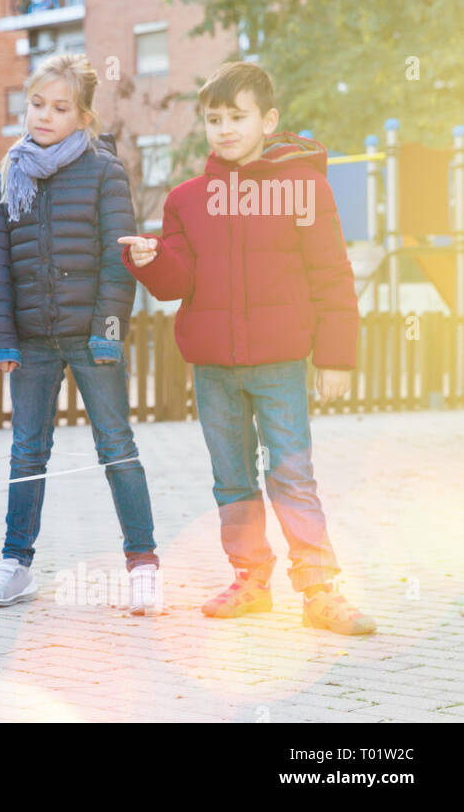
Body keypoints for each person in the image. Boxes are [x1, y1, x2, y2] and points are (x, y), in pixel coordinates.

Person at [120, 61, 375, 635]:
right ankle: (250, 581)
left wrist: (335, 355)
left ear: (269, 119)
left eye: (238, 116)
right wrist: (150, 259)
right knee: (232, 477)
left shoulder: (304, 189)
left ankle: (319, 590)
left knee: (290, 473)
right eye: (215, 118)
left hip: (281, 363)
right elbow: (177, 284)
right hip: (214, 369)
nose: (226, 128)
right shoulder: (186, 200)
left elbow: (332, 274)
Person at [0, 54, 160, 614]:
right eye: (36, 105)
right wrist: (1, 340)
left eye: (59, 108)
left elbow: (117, 261)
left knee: (116, 446)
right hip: (31, 340)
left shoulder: (105, 171)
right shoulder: (10, 173)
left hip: (89, 337)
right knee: (27, 450)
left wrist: (108, 332)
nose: (44, 117)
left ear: (82, 117)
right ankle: (15, 564)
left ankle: (144, 565)